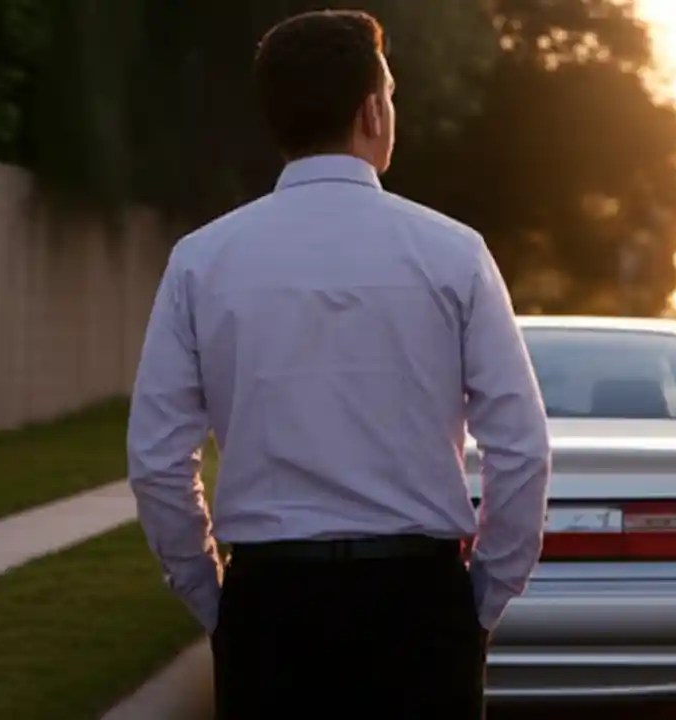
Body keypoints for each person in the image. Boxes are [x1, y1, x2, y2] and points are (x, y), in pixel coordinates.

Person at [126, 9, 551, 719]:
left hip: (270, 604)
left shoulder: (202, 261)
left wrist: (215, 600)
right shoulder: (453, 253)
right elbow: (522, 448)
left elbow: (158, 461)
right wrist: (482, 601)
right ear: (371, 111)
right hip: (420, 607)